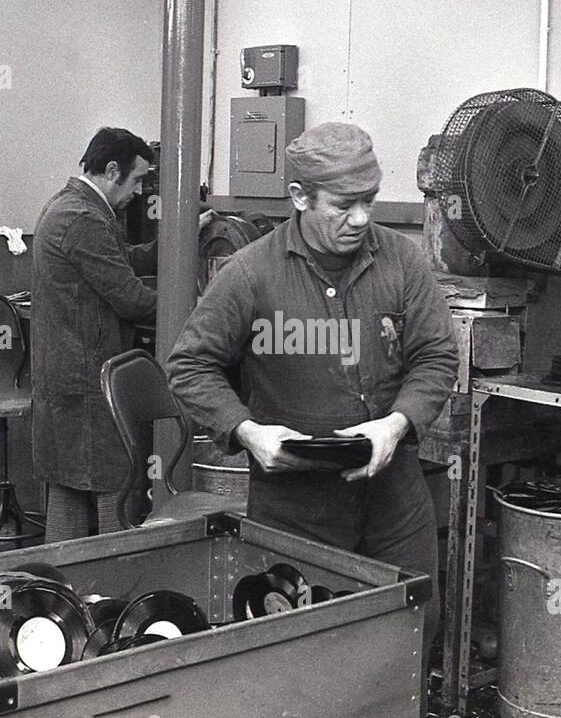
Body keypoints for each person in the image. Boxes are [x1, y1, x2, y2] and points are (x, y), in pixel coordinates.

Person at [166, 122, 458, 660]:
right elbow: (190, 365)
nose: (362, 218)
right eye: (344, 205)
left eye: (369, 201)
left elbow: (436, 356)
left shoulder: (402, 261)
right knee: (301, 644)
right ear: (299, 197)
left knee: (412, 626)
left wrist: (395, 427)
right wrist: (248, 432)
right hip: (295, 503)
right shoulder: (250, 274)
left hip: (393, 491)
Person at [31, 127, 156, 541]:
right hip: (86, 375)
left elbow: (119, 259)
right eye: (138, 179)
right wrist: (204, 306)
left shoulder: (75, 206)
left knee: (69, 482)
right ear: (112, 169)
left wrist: (178, 237)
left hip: (70, 369)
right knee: (113, 480)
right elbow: (132, 300)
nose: (140, 192)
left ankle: (64, 591)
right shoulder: (82, 218)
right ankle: (114, 587)